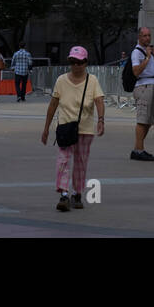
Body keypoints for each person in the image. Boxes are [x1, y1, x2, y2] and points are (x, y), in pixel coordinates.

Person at [40, 46, 105, 212]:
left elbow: (99, 101)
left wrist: (101, 120)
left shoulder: (92, 80)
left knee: (80, 162)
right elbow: (53, 104)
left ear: (86, 63)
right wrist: (46, 128)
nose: (76, 65)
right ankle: (64, 194)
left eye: (80, 62)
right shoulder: (61, 80)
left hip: (85, 129)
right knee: (63, 160)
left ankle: (77, 193)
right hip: (64, 128)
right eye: (73, 62)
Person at [130, 27, 154, 161]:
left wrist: (152, 56)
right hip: (143, 86)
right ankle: (139, 150)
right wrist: (147, 57)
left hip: (151, 85)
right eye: (145, 36)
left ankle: (137, 148)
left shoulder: (147, 51)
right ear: (139, 37)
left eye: (149, 35)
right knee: (142, 120)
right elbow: (136, 72)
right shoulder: (137, 52)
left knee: (148, 120)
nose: (147, 38)